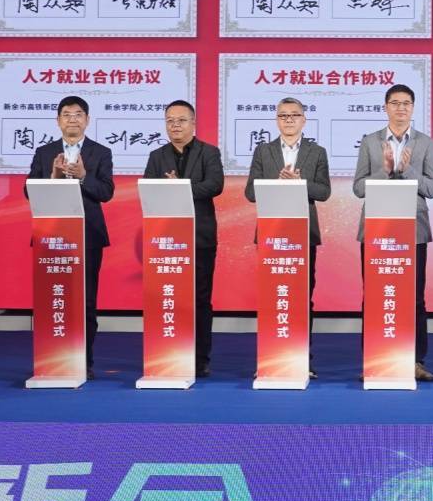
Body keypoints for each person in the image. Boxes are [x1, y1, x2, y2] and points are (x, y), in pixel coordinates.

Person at [353, 83, 433, 381]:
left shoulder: (425, 143)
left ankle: (415, 360)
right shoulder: (370, 142)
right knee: (375, 296)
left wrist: (408, 171)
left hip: (413, 230)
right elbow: (358, 187)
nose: (400, 108)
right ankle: (373, 359)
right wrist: (386, 171)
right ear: (385, 107)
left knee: (414, 298)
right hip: (377, 230)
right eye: (395, 103)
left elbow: (432, 188)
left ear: (412, 108)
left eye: (406, 103)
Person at [24, 95, 114, 371]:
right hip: (52, 235)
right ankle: (51, 358)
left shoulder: (101, 152)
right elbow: (29, 190)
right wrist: (52, 178)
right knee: (52, 297)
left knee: (86, 300)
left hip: (88, 236)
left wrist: (84, 176)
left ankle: (84, 361)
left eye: (78, 114)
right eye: (66, 114)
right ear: (58, 121)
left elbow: (106, 192)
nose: (72, 119)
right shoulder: (44, 152)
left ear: (87, 120)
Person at [244, 96, 332, 361]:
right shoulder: (263, 151)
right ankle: (271, 358)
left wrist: (299, 183)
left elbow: (324, 192)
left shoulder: (317, 152)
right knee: (273, 295)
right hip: (272, 234)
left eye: (294, 115)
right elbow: (250, 193)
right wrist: (278, 182)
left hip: (304, 234)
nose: (289, 120)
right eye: (283, 115)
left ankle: (302, 358)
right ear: (277, 120)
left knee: (302, 296)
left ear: (304, 120)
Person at [141, 100, 224, 378]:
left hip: (200, 238)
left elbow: (215, 185)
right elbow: (148, 189)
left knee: (200, 298)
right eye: (170, 121)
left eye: (181, 120)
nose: (175, 125)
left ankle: (200, 359)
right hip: (166, 239)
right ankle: (168, 352)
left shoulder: (209, 152)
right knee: (168, 296)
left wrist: (180, 187)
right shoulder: (157, 156)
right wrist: (168, 189)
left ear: (193, 123)